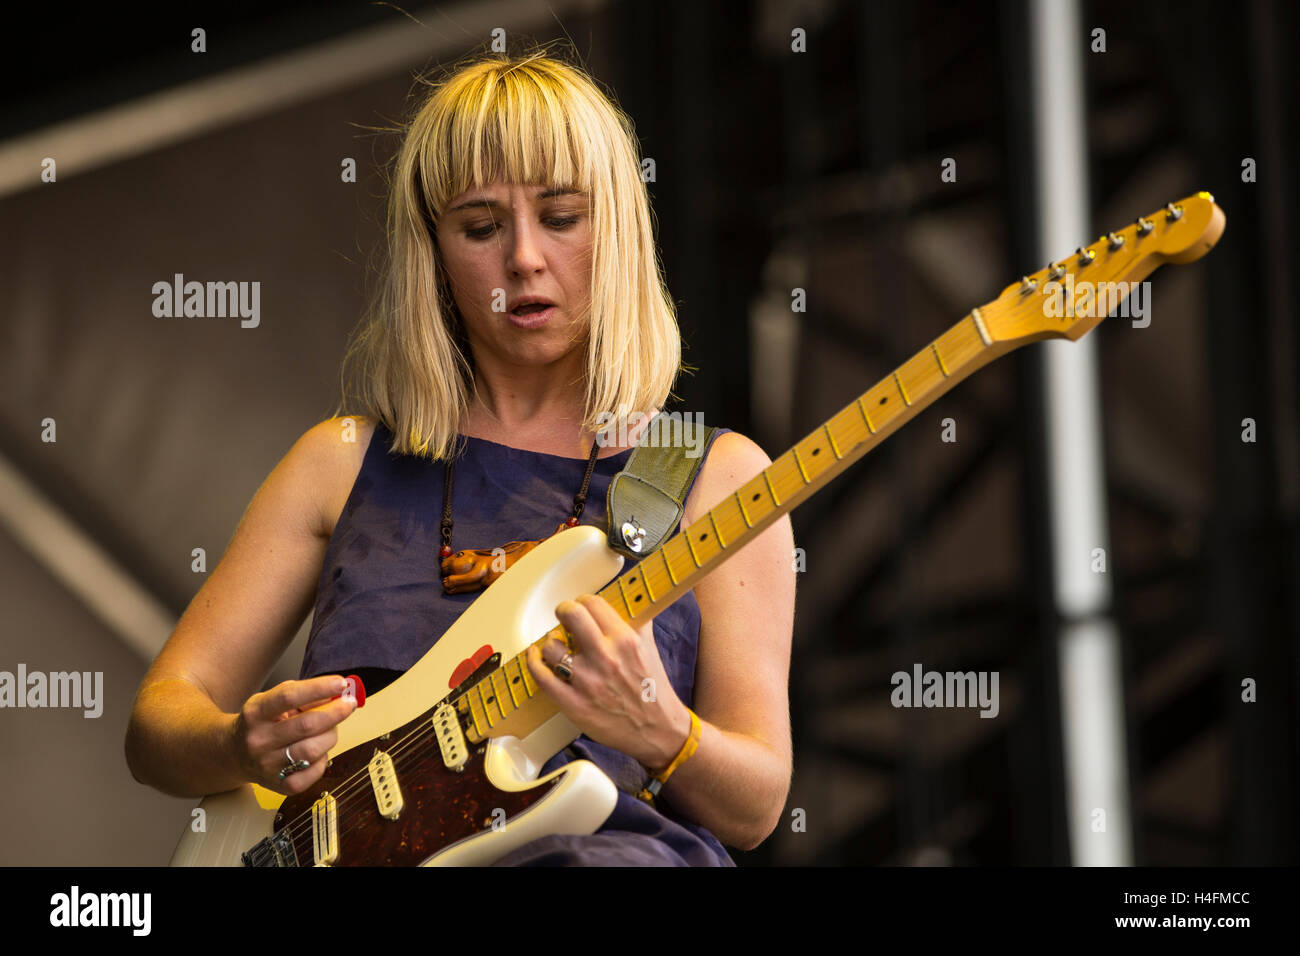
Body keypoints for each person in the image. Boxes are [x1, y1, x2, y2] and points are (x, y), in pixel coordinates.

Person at [124, 46, 796, 866]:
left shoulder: (714, 475)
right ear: (433, 256)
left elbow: (757, 805)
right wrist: (238, 744)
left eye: (561, 216)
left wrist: (663, 730)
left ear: (617, 229)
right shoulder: (338, 461)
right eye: (479, 227)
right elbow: (160, 719)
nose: (522, 258)